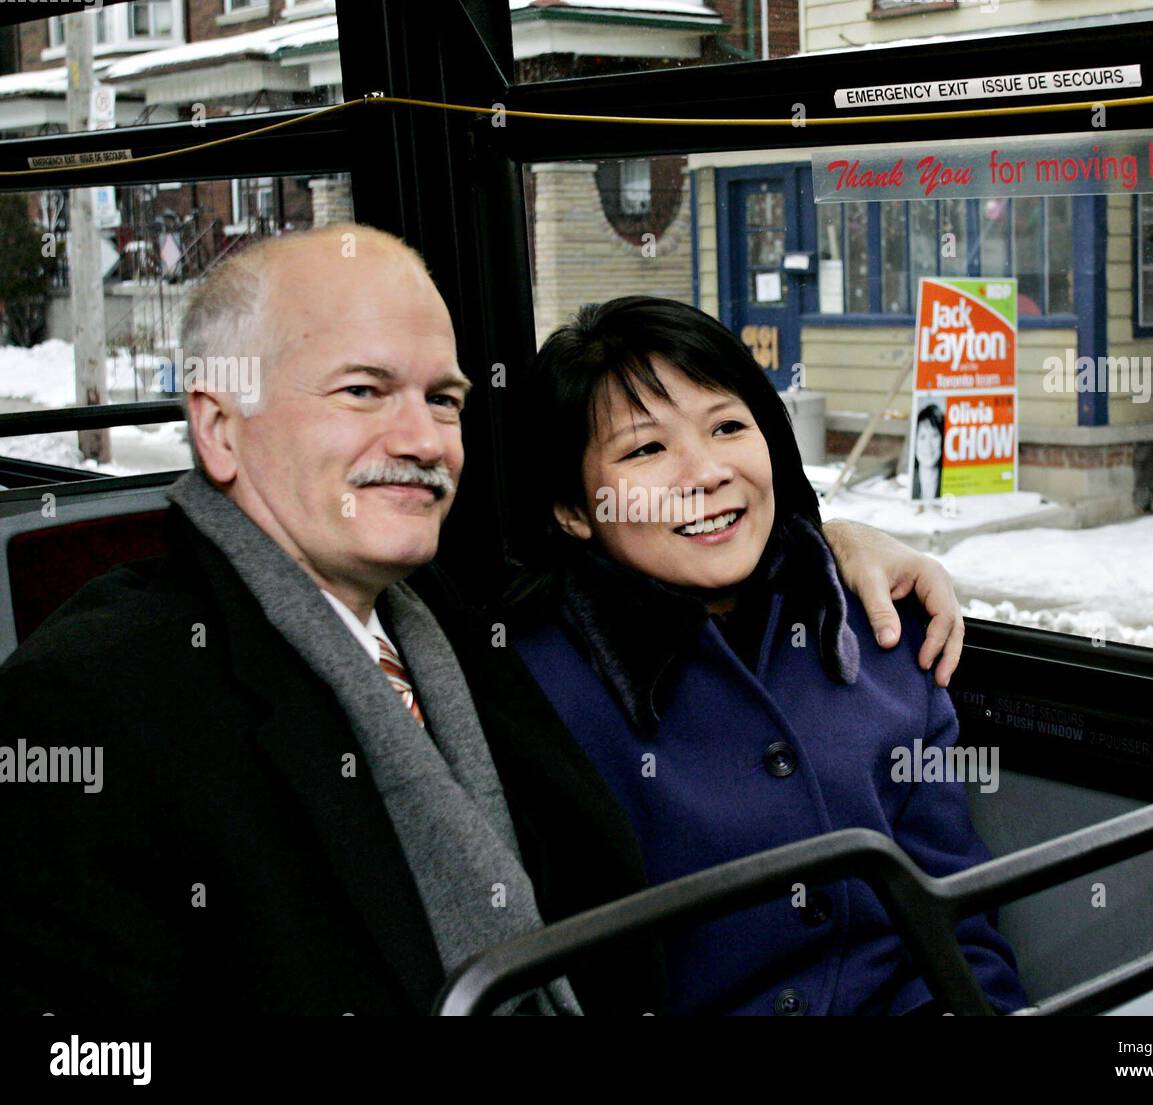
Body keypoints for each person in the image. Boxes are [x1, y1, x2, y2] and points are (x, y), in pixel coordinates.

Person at [0, 225, 970, 1016]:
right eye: (362, 392)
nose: (420, 439)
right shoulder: (95, 695)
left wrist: (828, 536)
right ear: (220, 427)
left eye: (443, 399)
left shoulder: (452, 640)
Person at [508, 296, 1027, 1016]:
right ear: (572, 507)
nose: (707, 471)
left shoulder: (879, 635)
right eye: (646, 449)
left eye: (727, 426)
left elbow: (957, 919)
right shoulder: (529, 690)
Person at [912, 401, 945, 501]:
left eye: (935, 436)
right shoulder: (906, 483)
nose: (929, 445)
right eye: (922, 437)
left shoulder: (952, 482)